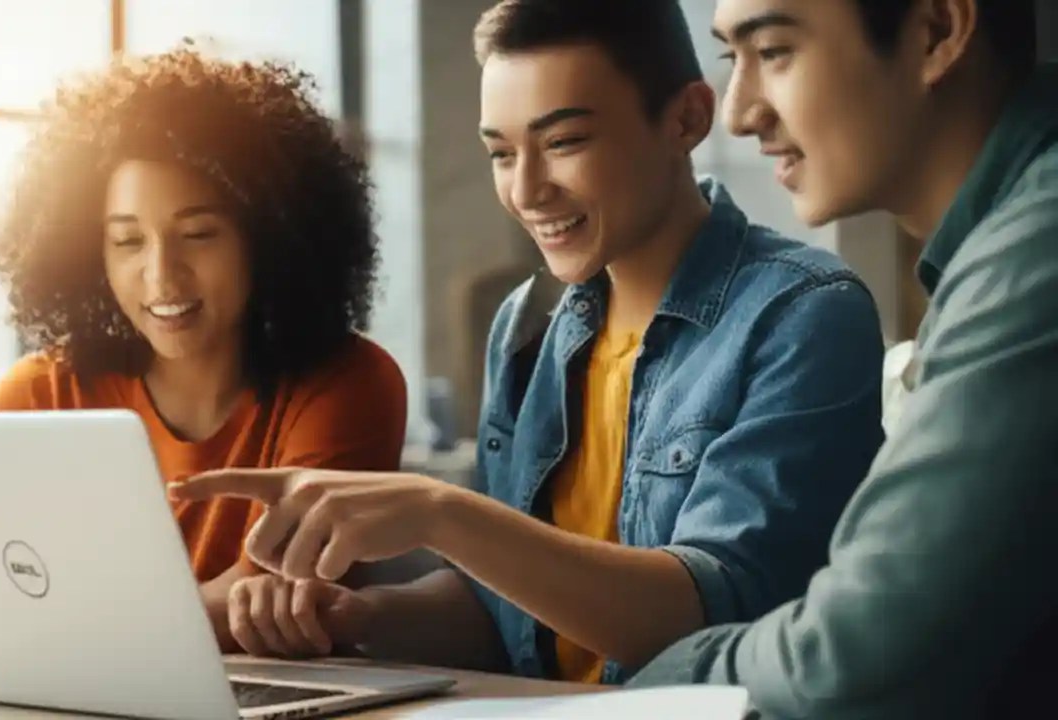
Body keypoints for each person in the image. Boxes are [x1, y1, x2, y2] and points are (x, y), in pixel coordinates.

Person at [171, 0, 886, 685]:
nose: (527, 189)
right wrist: (355, 619)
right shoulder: (528, 324)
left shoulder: (803, 313)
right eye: (501, 154)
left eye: (564, 142)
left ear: (687, 119)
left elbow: (705, 617)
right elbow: (510, 620)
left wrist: (440, 512)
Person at [624, 1, 1058, 718]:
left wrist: (632, 692)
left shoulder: (1034, 255)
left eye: (775, 51)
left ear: (936, 33)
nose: (738, 114)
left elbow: (850, 664)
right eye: (735, 59)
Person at [0, 48, 407, 654]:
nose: (162, 276)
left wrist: (68, 624)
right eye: (127, 241)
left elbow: (269, 596)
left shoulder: (348, 382)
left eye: (198, 235)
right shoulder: (38, 394)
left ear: (268, 236)